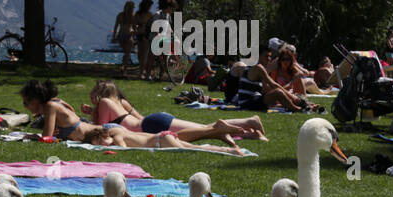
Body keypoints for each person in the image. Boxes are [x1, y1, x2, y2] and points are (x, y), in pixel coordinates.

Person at [83, 80, 265, 141]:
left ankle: (249, 123)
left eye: (93, 92)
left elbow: (102, 129)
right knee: (205, 129)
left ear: (100, 93)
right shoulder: (120, 101)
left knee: (204, 131)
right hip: (152, 121)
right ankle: (250, 129)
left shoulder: (105, 103)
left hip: (150, 128)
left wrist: (92, 112)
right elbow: (139, 117)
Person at [111, 0, 136, 71]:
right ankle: (124, 66)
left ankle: (124, 67)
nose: (132, 9)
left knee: (127, 53)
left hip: (128, 35)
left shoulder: (131, 16)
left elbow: (116, 27)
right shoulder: (121, 15)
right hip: (122, 35)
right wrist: (114, 36)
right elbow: (116, 26)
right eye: (132, 7)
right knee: (126, 53)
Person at [133, 0, 155, 78]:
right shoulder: (138, 14)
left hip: (146, 35)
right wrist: (137, 29)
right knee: (140, 54)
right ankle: (143, 70)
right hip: (139, 35)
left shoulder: (150, 14)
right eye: (149, 6)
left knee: (144, 54)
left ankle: (141, 72)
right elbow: (134, 24)